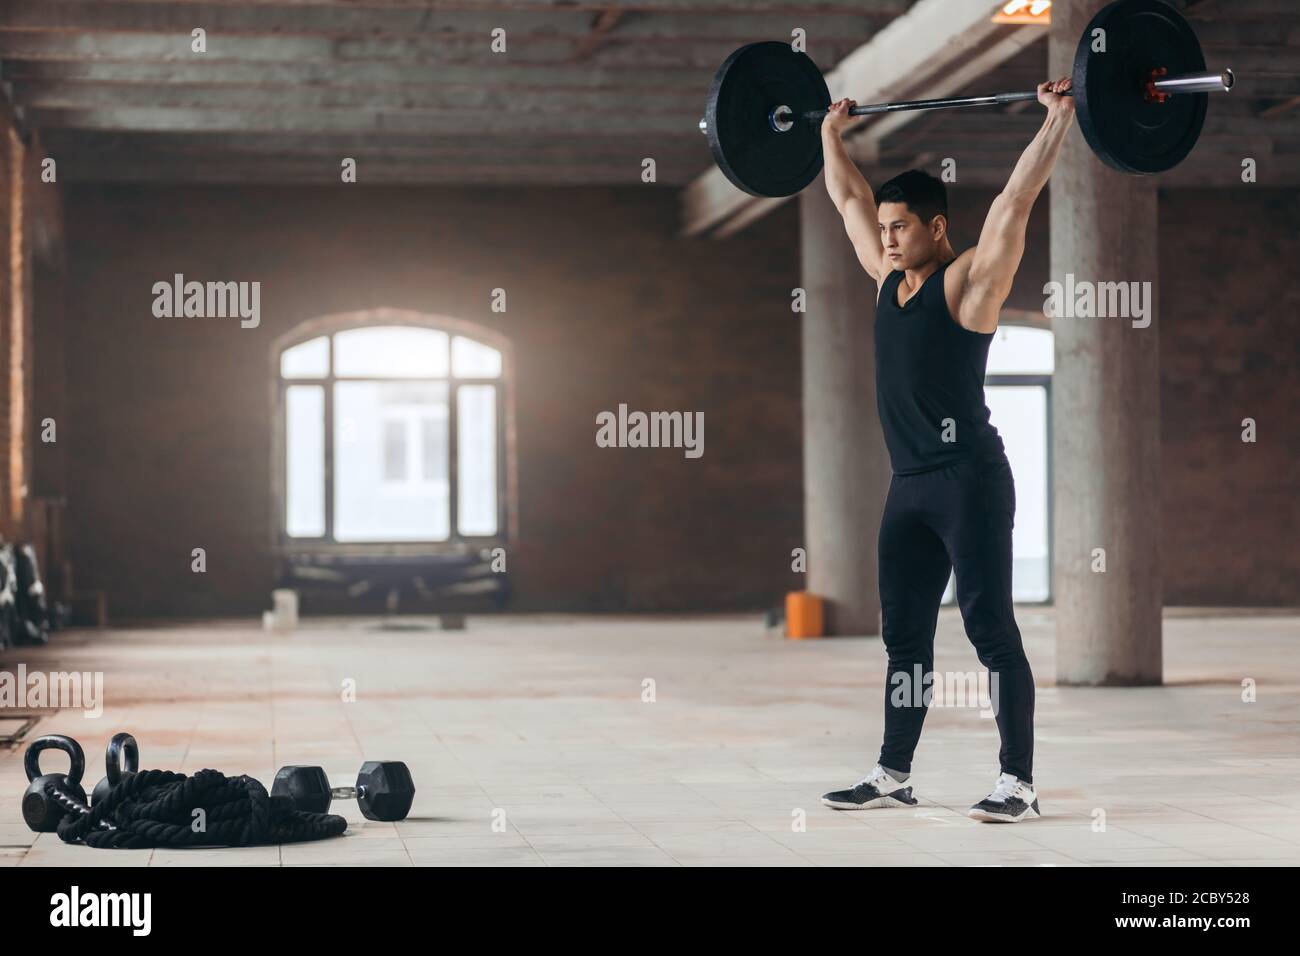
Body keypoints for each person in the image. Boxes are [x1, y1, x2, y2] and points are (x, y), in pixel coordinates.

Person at [819, 77, 1076, 824]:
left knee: (990, 626)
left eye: (900, 227)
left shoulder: (968, 286)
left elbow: (1014, 206)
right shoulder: (884, 281)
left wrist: (1057, 119)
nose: (888, 237)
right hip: (909, 486)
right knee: (903, 636)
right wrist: (830, 137)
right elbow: (845, 202)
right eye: (886, 227)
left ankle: (1017, 782)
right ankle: (893, 773)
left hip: (969, 480)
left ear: (936, 228)